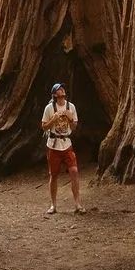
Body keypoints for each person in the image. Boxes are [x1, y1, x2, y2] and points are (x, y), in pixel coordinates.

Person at [42, 82, 84, 215]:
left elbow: (74, 127)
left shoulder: (71, 107)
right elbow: (44, 127)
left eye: (63, 88)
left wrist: (71, 119)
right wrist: (53, 120)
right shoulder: (49, 108)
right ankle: (53, 205)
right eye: (59, 89)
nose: (62, 90)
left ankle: (77, 204)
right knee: (53, 175)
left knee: (74, 171)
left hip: (67, 144)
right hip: (53, 145)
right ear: (54, 94)